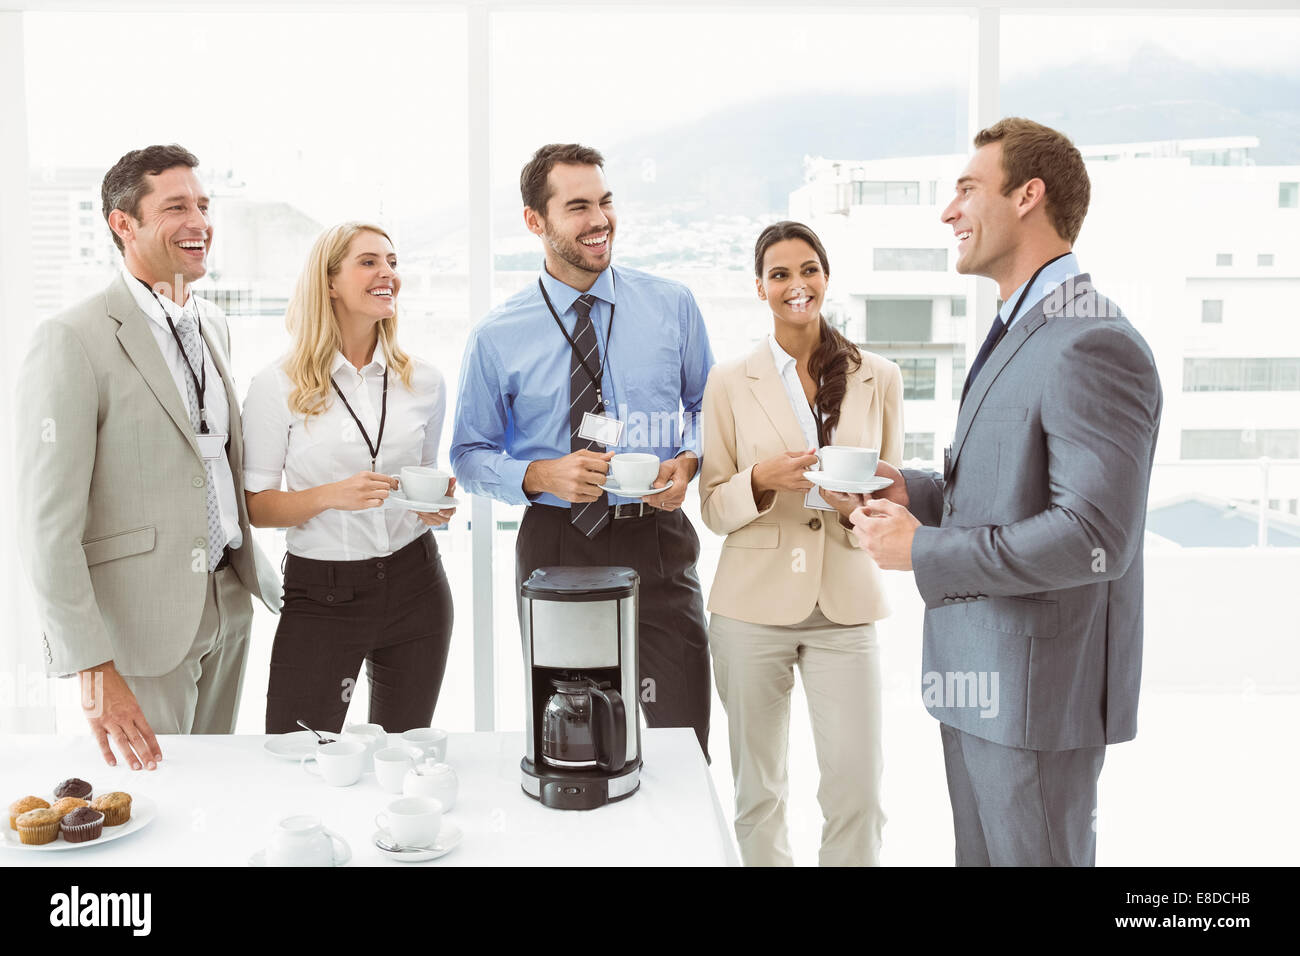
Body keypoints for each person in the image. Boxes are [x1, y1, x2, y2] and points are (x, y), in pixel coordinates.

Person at [852, 118, 1163, 866]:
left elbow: (1093, 538)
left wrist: (922, 550)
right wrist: (912, 489)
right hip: (978, 685)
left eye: (966, 189)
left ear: (1029, 196)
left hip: (1034, 702)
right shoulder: (1021, 324)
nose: (947, 211)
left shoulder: (1094, 339)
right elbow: (1002, 489)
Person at [14, 144, 281, 769]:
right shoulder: (71, 339)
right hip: (137, 632)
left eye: (204, 205)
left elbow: (209, 462)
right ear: (123, 224)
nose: (200, 222)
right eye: (176, 207)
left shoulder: (212, 324)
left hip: (228, 602)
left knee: (215, 792)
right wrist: (91, 670)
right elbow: (46, 528)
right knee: (155, 809)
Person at [452, 143, 715, 758]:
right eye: (577, 207)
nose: (599, 220)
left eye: (605, 202)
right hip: (558, 543)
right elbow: (467, 454)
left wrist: (691, 461)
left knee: (683, 740)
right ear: (534, 222)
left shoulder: (672, 305)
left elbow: (708, 407)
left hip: (658, 537)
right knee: (576, 743)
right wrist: (540, 473)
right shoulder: (496, 336)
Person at [699, 221, 902, 866]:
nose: (796, 285)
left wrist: (856, 509)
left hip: (846, 605)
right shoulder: (729, 380)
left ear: (825, 277)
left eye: (808, 270)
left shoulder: (879, 376)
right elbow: (710, 507)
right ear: (759, 288)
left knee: (858, 792)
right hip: (750, 608)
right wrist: (759, 480)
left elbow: (892, 494)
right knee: (759, 792)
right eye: (780, 274)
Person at [242, 222, 455, 735]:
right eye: (369, 262)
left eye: (393, 262)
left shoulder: (424, 381)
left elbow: (422, 483)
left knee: (404, 756)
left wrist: (436, 504)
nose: (388, 273)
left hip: (418, 585)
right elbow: (257, 506)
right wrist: (331, 496)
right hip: (323, 597)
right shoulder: (277, 385)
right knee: (298, 756)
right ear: (329, 282)